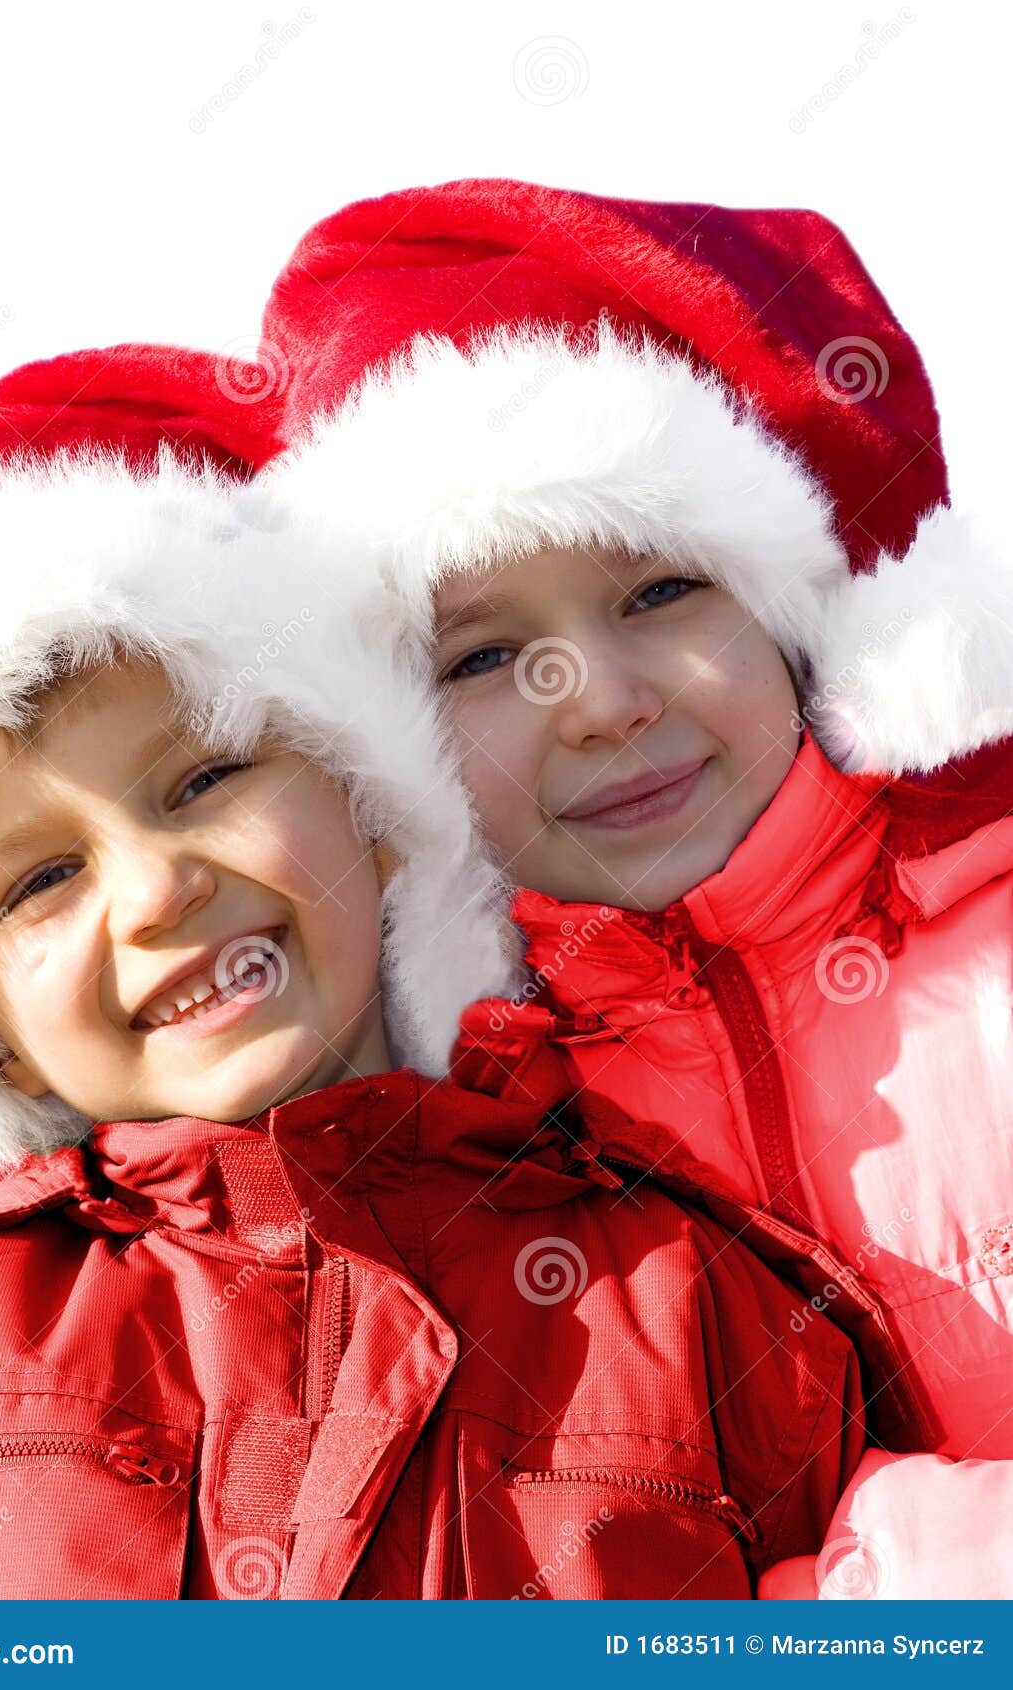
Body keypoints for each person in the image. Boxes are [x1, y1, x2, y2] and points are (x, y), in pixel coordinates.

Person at [0, 348, 863, 1600]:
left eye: (206, 781)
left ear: (374, 803)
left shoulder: (687, 1297)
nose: (154, 890)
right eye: (39, 882)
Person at [258, 176, 1013, 1596]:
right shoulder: (483, 1138)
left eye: (660, 592)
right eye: (480, 657)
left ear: (797, 609)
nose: (596, 699)